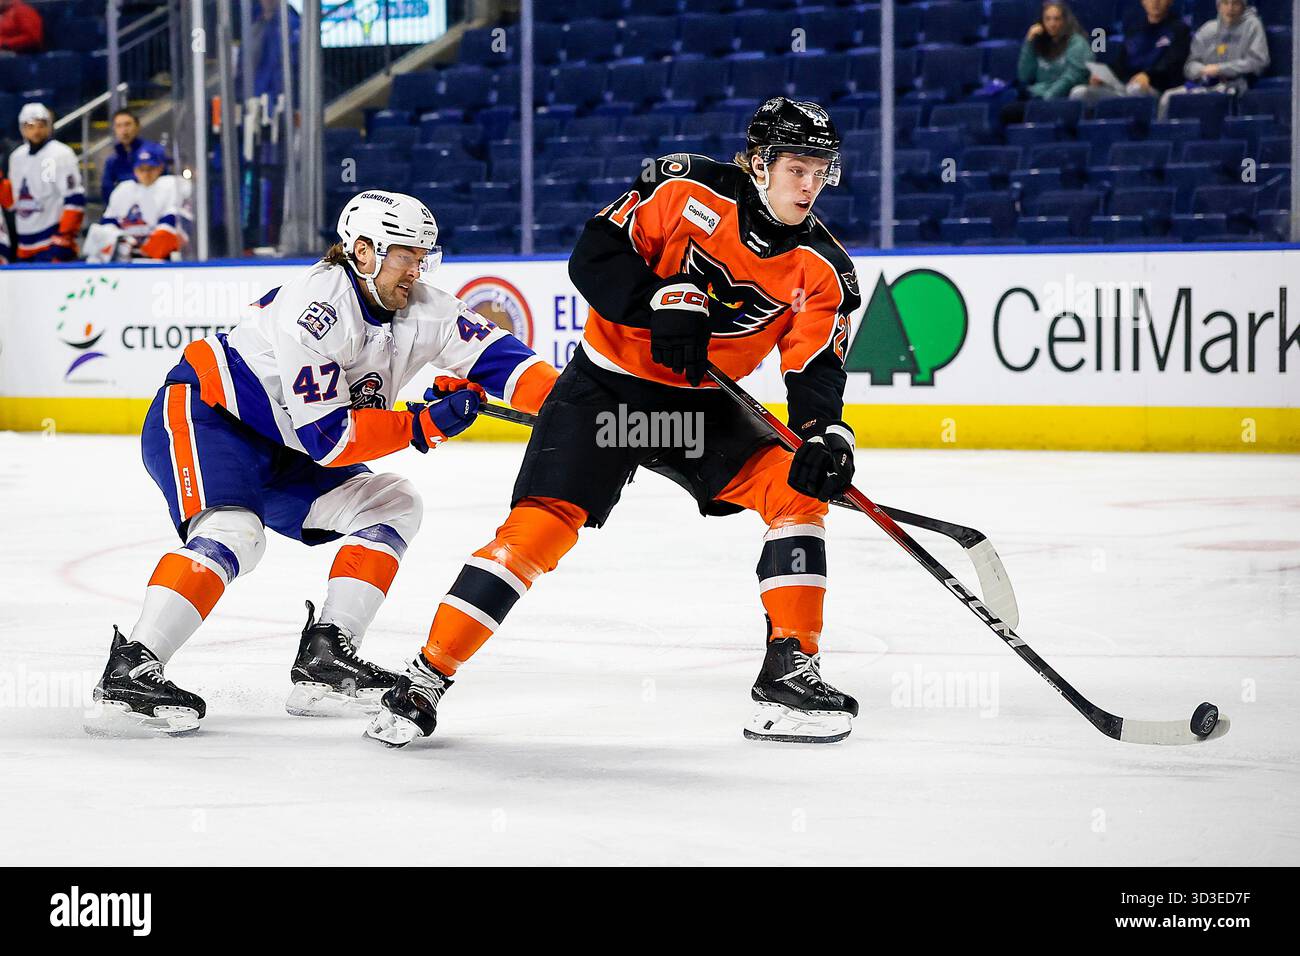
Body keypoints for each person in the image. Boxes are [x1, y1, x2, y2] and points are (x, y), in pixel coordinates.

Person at [367, 97, 863, 749]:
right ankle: (424, 679)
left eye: (819, 170)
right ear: (759, 162)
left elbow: (815, 374)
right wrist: (657, 300)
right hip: (609, 395)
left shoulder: (824, 270)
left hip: (699, 409)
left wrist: (826, 432)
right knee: (536, 534)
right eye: (796, 167)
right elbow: (594, 255)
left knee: (797, 491)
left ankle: (788, 674)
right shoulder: (685, 189)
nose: (808, 184)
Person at [85, 190, 559, 736]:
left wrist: (576, 411)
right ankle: (130, 669)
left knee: (393, 504)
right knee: (235, 532)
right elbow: (331, 441)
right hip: (210, 417)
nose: (418, 269)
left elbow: (507, 362)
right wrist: (423, 424)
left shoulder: (426, 306)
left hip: (287, 444)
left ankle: (326, 664)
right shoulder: (318, 308)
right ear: (363, 251)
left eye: (424, 255)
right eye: (407, 255)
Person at [0, 103, 84, 261]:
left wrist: (64, 238)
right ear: (22, 128)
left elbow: (74, 199)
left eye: (41, 125)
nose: (36, 131)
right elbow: (13, 203)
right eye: (30, 126)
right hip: (24, 246)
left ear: (49, 126)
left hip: (52, 243)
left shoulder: (59, 154)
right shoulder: (17, 157)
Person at [1159, 0, 1269, 118]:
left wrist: (1220, 69)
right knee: (1168, 97)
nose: (1230, 8)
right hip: (1204, 85)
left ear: (1243, 6)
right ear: (1218, 6)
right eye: (1225, 3)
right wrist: (1202, 70)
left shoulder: (1253, 25)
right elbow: (1189, 66)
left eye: (1235, 3)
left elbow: (1259, 61)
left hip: (1235, 86)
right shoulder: (1208, 29)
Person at [1069, 0, 1191, 105]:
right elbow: (1121, 64)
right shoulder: (1134, 30)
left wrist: (1148, 75)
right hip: (1125, 87)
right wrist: (1102, 76)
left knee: (1136, 89)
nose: (1155, 2)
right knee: (1079, 92)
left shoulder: (1179, 29)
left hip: (1157, 88)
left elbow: (1172, 64)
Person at [85, 141, 191, 262]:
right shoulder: (123, 189)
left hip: (160, 259)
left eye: (151, 168)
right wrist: (120, 243)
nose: (146, 174)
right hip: (125, 257)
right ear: (134, 169)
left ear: (161, 167)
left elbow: (172, 225)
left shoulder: (173, 185)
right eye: (141, 169)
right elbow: (107, 225)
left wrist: (143, 252)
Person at [1001, 2, 1093, 125]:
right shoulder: (1039, 42)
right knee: (1006, 107)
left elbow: (1072, 76)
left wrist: (1048, 97)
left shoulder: (1077, 43)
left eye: (1057, 19)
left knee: (1015, 112)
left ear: (1065, 20)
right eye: (1047, 19)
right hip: (1039, 96)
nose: (1052, 24)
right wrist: (1028, 43)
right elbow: (1024, 75)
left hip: (1064, 99)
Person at [100, 109, 147, 203]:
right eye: (119, 126)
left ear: (137, 126)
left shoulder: (152, 154)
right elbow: (106, 190)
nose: (124, 130)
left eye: (128, 124)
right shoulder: (112, 161)